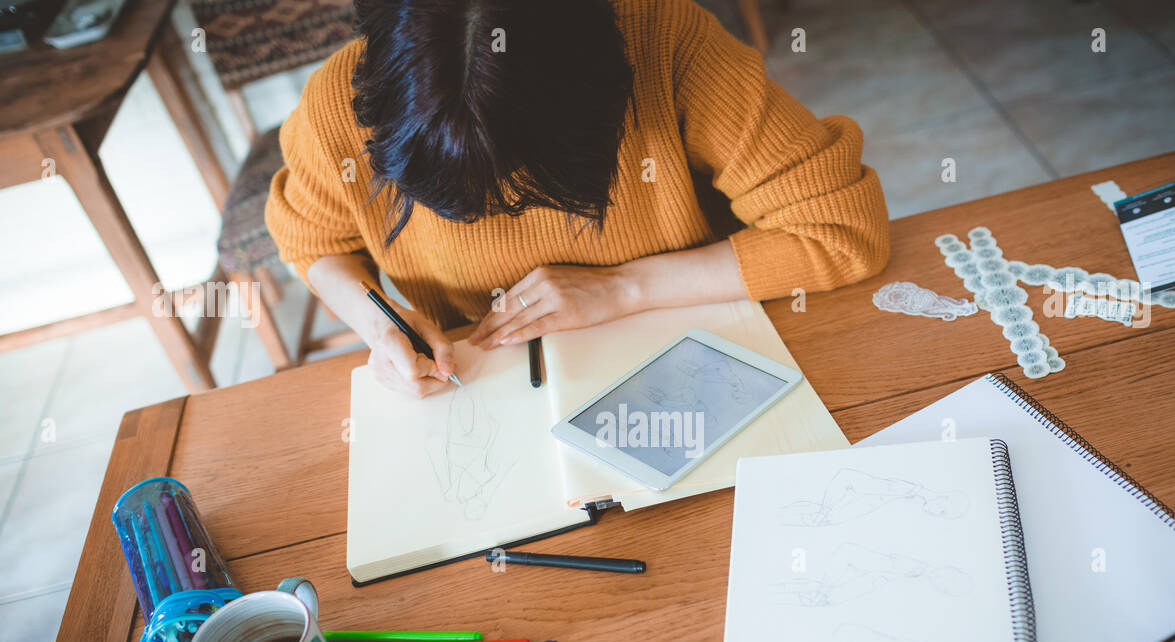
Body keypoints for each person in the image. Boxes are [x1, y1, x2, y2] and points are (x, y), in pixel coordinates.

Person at [266, 0, 889, 397]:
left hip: (691, 351)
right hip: (491, 385)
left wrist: (623, 287)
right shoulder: (334, 111)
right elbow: (314, 241)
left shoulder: (666, 42)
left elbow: (840, 230)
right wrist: (382, 324)